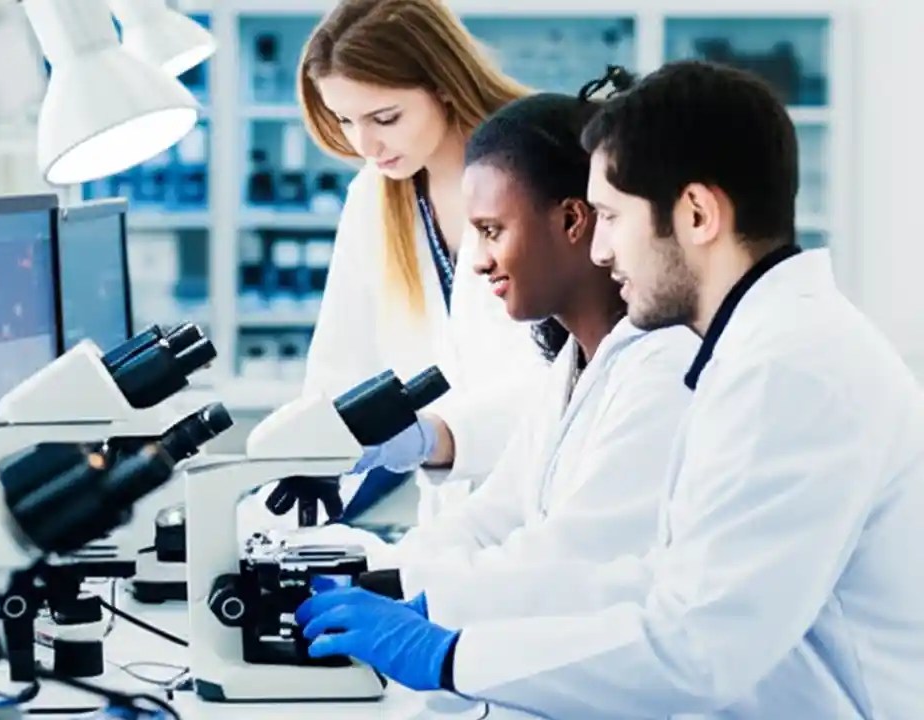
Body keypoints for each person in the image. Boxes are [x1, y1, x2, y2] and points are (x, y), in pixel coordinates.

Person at [295, 60, 924, 717]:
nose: (600, 250)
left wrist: (449, 654)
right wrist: (422, 600)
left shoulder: (789, 372)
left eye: (611, 217)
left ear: (697, 214)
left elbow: (695, 649)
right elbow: (648, 581)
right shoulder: (754, 351)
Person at [351, 69, 700, 628]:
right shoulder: (575, 364)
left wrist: (399, 592)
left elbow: (562, 560)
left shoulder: (663, 369)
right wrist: (366, 567)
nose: (479, 260)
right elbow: (492, 518)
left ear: (572, 219)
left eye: (492, 230)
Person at [296, 0, 547, 521]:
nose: (365, 144)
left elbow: (572, 379)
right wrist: (303, 470)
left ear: (444, 85)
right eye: (345, 120)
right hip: (451, 531)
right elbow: (339, 369)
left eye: (384, 117)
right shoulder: (376, 197)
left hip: (553, 515)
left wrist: (437, 436)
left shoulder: (548, 175)